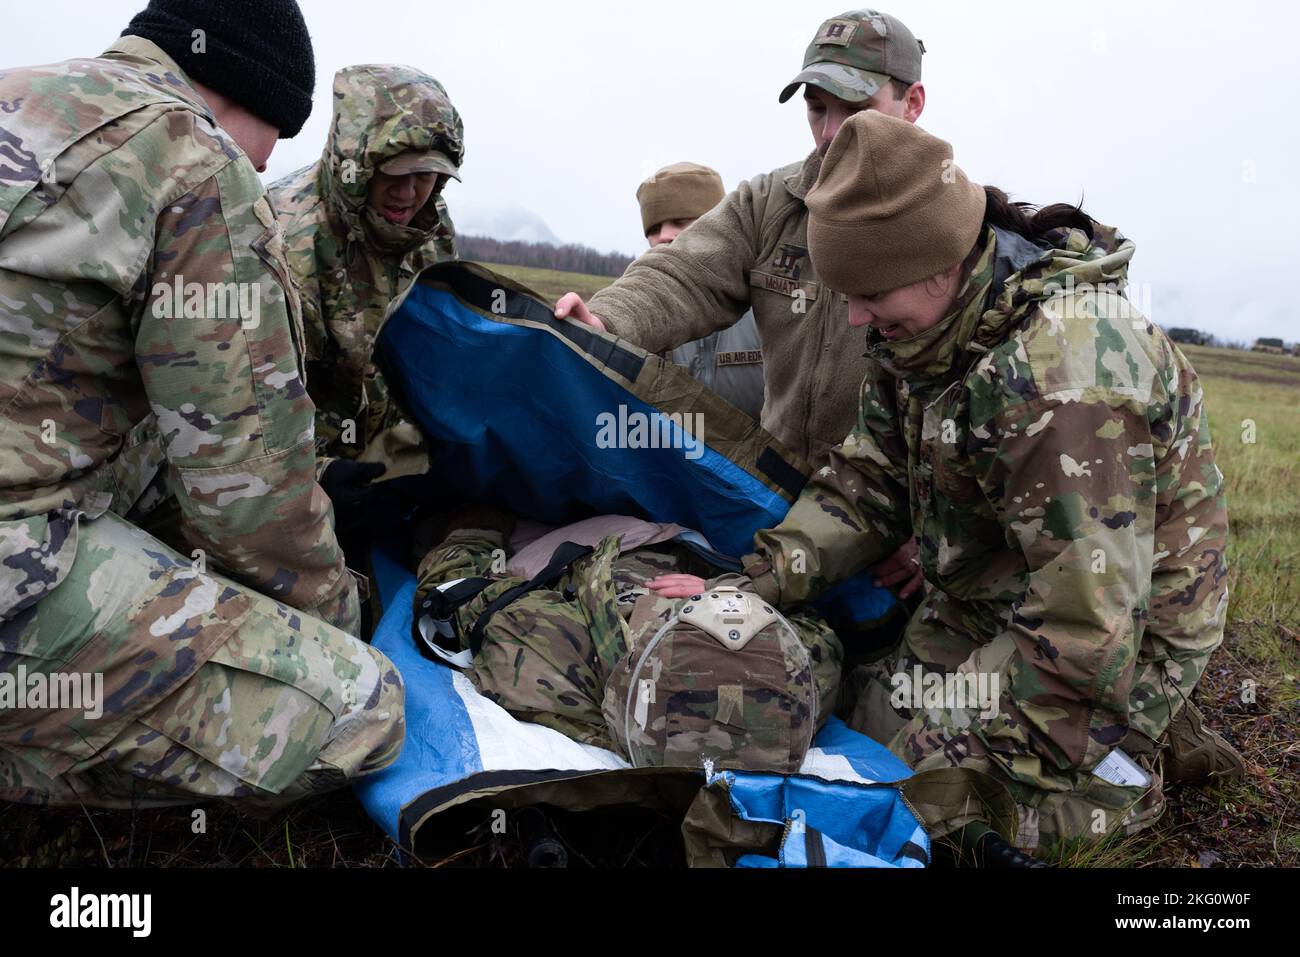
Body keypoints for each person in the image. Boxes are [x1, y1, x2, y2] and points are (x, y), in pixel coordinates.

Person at [648, 111, 1240, 855]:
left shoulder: (1065, 377)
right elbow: (866, 480)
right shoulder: (918, 332)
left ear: (933, 265)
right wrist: (757, 582)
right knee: (862, 736)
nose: (857, 315)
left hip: (1123, 630)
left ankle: (1128, 763)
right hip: (992, 593)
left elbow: (1086, 629)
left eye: (868, 294)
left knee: (933, 804)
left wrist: (970, 760)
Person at [0, 0, 403, 810]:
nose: (261, 169)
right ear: (248, 95)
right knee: (363, 705)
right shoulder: (193, 158)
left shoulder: (23, 91)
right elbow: (246, 487)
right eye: (272, 146)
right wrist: (337, 613)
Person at [556, 8, 927, 601]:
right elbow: (683, 274)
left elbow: (978, 401)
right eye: (816, 108)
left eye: (854, 109)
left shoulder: (950, 226)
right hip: (772, 507)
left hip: (891, 535)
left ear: (912, 105)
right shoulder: (770, 203)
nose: (831, 133)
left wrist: (939, 525)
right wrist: (605, 321)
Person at [411, 509, 841, 770]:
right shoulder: (803, 671)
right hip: (639, 543)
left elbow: (453, 591)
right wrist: (731, 592)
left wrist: (478, 523)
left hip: (563, 555)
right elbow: (814, 626)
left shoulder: (547, 660)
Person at [270, 65, 463, 558]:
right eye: (394, 174)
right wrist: (319, 476)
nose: (408, 194)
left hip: (386, 465)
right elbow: (243, 406)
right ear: (353, 163)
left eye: (427, 175)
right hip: (291, 479)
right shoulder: (283, 242)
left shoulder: (429, 231)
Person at [636, 162, 764, 420]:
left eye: (679, 221)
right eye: (653, 229)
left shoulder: (767, 305)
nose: (663, 236)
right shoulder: (635, 313)